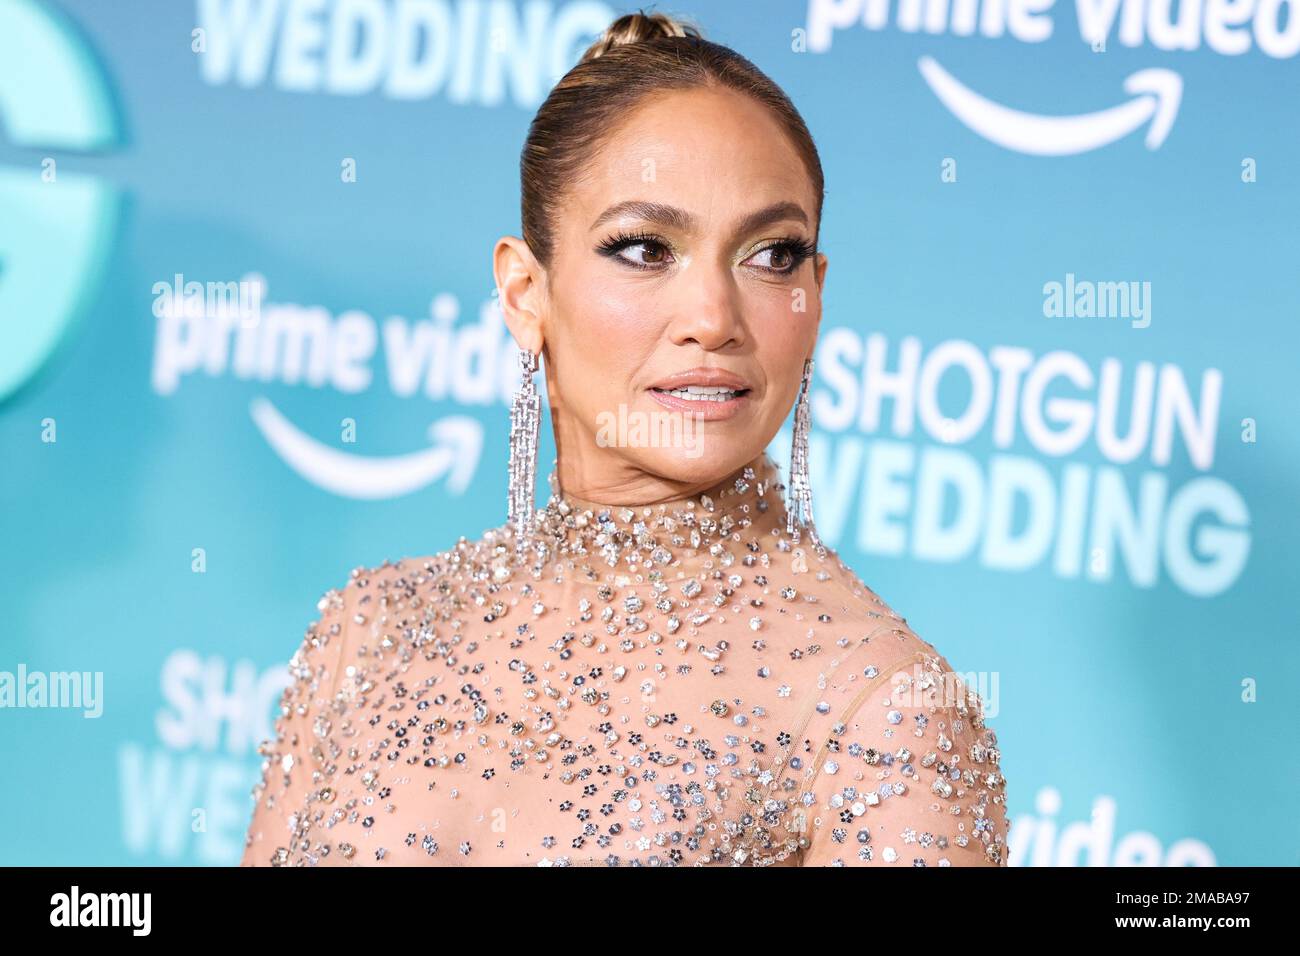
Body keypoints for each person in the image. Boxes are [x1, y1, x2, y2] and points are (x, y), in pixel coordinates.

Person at [239, 9, 1009, 867]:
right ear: (525, 293)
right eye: (646, 248)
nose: (714, 318)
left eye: (772, 255)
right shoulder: (369, 631)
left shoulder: (883, 711)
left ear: (815, 296)